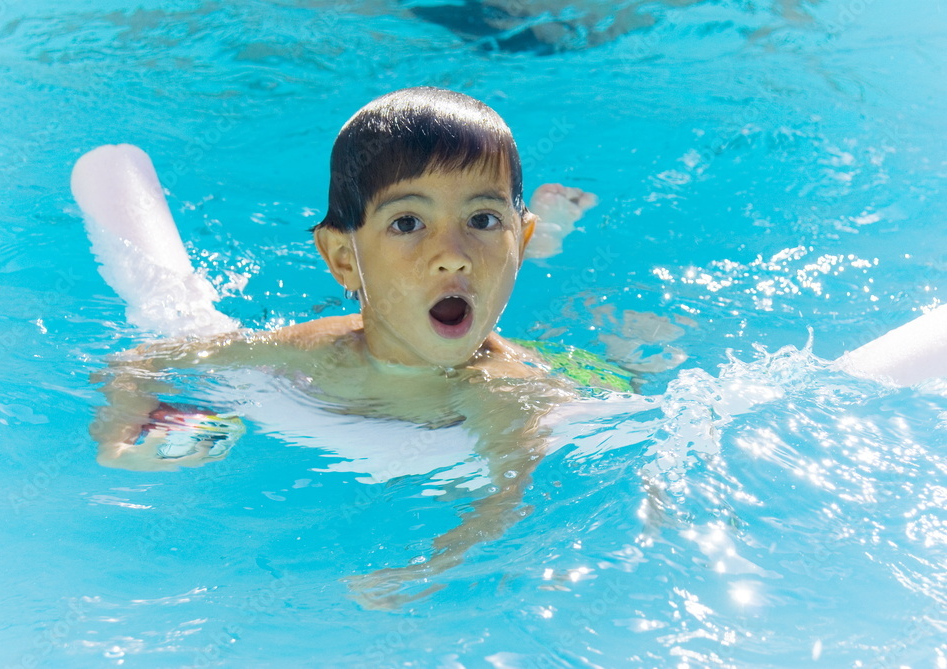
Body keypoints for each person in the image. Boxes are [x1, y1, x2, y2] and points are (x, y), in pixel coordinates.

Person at [79, 87, 629, 608]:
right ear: (344, 259)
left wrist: (425, 571)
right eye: (408, 222)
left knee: (629, 364)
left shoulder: (503, 392)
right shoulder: (318, 350)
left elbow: (505, 503)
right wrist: (121, 433)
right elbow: (141, 362)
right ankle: (540, 231)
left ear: (516, 237)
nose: (452, 253)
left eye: (483, 220)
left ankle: (549, 235)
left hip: (576, 372)